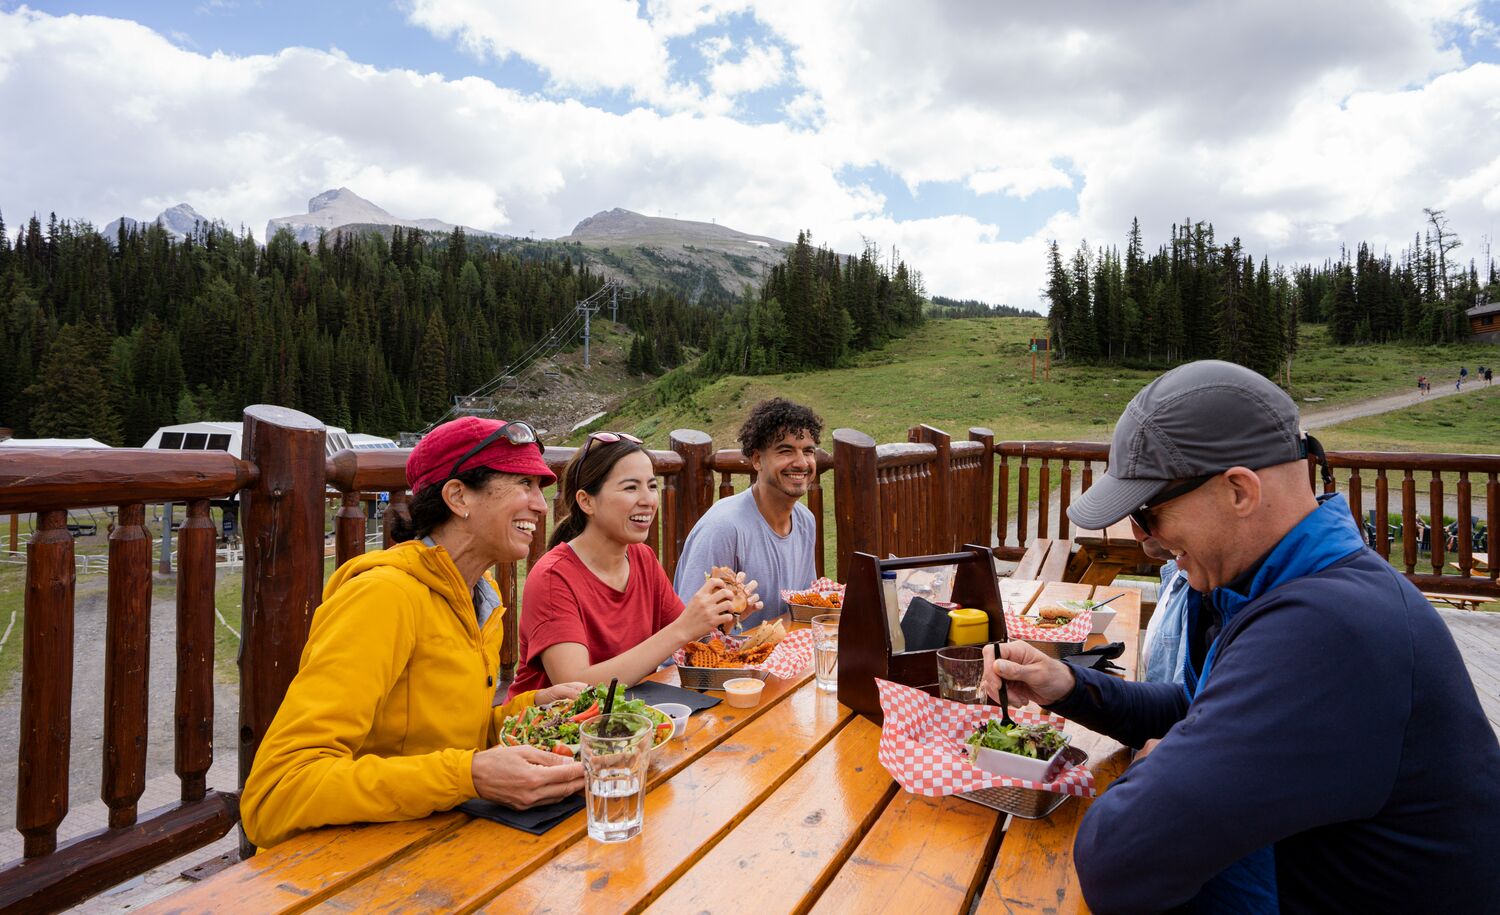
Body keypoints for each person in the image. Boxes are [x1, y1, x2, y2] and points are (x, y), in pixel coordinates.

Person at [981, 360, 1500, 912]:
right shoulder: (1308, 585)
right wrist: (1068, 686)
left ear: (1238, 491)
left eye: (1148, 514)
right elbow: (1200, 709)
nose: (1147, 543)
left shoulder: (1325, 631)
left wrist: (1156, 766)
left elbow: (1120, 862)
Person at [241, 418, 587, 850]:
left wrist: (526, 710)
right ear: (458, 496)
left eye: (541, 488)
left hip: (435, 842)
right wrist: (468, 776)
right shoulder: (383, 597)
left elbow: (447, 740)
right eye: (524, 484)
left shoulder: (481, 595)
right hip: (353, 867)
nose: (541, 505)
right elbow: (276, 794)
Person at [507, 431, 761, 696]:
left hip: (632, 718)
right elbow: (575, 685)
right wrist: (683, 628)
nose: (649, 500)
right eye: (631, 487)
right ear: (587, 501)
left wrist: (722, 619)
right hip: (555, 729)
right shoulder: (553, 576)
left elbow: (688, 642)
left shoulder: (643, 558)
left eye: (652, 486)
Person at [673, 398, 822, 627]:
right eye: (786, 451)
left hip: (780, 655)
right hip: (719, 660)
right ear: (756, 460)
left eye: (808, 451)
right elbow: (686, 629)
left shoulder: (805, 521)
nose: (801, 463)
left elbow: (801, 610)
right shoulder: (723, 527)